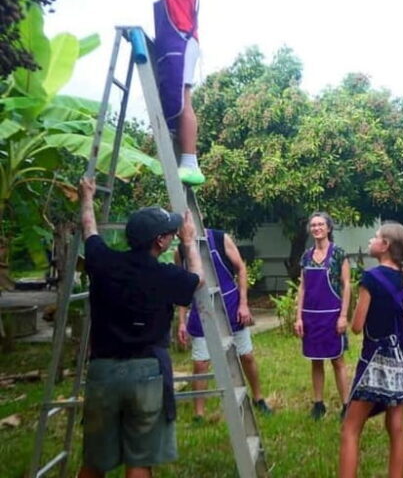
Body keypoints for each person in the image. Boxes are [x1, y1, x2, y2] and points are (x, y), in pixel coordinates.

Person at [77, 177, 203, 478]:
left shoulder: (103, 262)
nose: (173, 236)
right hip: (146, 372)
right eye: (170, 233)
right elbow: (197, 278)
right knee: (140, 462)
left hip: (103, 371)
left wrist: (87, 197)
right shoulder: (165, 275)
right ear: (159, 241)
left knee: (94, 462)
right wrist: (188, 243)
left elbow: (89, 230)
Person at [93, 0, 205, 186]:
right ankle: (185, 154)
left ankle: (190, 162)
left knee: (184, 101)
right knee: (176, 101)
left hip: (182, 39)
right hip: (176, 40)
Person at [339, 223, 403, 478]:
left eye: (375, 237)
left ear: (385, 246)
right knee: (396, 426)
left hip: (375, 361)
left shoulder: (371, 278)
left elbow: (356, 327)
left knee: (351, 428)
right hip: (402, 360)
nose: (371, 240)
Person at [176, 229, 271, 419]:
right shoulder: (180, 251)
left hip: (230, 306)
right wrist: (181, 321)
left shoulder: (220, 239)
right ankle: (199, 413)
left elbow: (241, 269)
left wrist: (244, 304)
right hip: (201, 310)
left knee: (246, 356)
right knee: (200, 363)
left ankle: (258, 398)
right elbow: (182, 287)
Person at [294, 212, 351, 419]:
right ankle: (318, 404)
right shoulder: (306, 256)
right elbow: (302, 287)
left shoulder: (338, 254)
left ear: (328, 228)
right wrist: (298, 317)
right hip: (310, 316)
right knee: (315, 360)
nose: (317, 228)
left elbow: (346, 286)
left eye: (320, 225)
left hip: (332, 315)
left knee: (337, 360)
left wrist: (343, 316)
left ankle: (347, 405)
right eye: (313, 225)